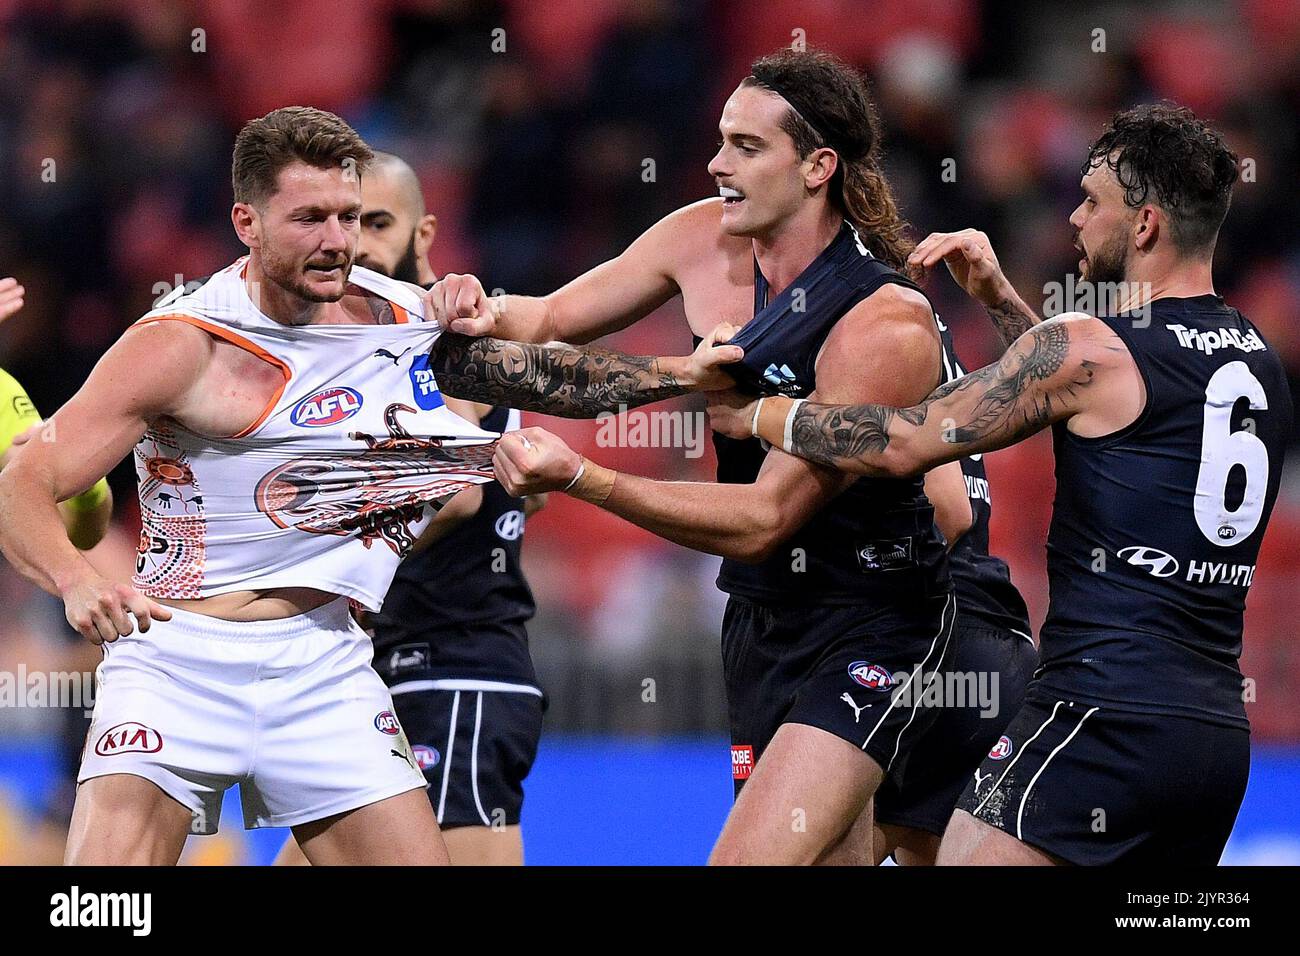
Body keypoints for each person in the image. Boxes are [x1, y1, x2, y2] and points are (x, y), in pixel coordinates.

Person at [0, 106, 737, 866]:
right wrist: (77, 582)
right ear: (245, 221)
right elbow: (26, 481)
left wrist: (681, 375)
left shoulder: (394, 318)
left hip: (324, 660)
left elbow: (546, 374)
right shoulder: (178, 345)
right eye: (310, 218)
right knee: (100, 909)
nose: (337, 241)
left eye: (350, 217)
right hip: (177, 662)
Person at [432, 48, 1033, 866]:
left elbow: (778, 518)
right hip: (762, 615)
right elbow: (542, 322)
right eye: (721, 140)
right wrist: (473, 303)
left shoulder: (880, 321)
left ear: (819, 166)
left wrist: (583, 476)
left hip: (887, 617)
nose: (717, 164)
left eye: (748, 147)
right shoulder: (698, 240)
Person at [707, 104, 1291, 865]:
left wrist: (760, 414)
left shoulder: (1088, 347)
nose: (1075, 219)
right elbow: (1097, 404)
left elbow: (901, 441)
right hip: (1212, 740)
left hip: (1097, 714)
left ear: (1144, 226)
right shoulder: (1257, 360)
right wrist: (1001, 301)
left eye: (1090, 201)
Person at [277, 152, 546, 867]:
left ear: (423, 234)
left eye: (375, 222)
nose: (354, 242)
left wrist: (325, 573)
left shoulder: (444, 336)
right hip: (378, 669)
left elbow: (450, 491)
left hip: (451, 663)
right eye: (337, 221)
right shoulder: (358, 341)